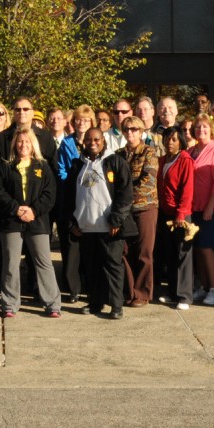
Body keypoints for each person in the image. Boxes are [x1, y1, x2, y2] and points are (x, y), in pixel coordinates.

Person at [0, 126, 60, 318]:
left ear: (33, 144)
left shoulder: (43, 166)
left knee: (44, 262)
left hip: (37, 221)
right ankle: (9, 304)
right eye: (20, 141)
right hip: (11, 221)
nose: (23, 145)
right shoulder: (6, 166)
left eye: (27, 141)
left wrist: (34, 210)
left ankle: (52, 304)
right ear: (15, 144)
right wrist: (16, 209)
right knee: (11, 263)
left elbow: (50, 194)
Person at [69, 128, 133, 319]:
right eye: (88, 139)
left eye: (96, 139)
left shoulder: (116, 162)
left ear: (103, 140)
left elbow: (125, 194)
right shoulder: (78, 164)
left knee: (112, 266)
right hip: (86, 227)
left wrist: (116, 220)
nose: (92, 143)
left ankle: (116, 305)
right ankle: (95, 302)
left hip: (109, 227)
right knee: (91, 267)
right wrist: (72, 223)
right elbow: (68, 196)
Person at [56, 103, 97, 301]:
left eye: (86, 120)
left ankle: (90, 284)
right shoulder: (67, 143)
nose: (82, 123)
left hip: (91, 196)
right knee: (71, 244)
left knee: (89, 245)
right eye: (79, 119)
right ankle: (73, 288)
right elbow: (61, 169)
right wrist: (72, 183)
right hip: (70, 194)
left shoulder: (96, 141)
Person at [120, 116, 159, 307]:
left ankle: (142, 293)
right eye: (126, 129)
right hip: (124, 211)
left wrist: (123, 197)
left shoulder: (149, 152)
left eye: (134, 129)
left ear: (141, 132)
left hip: (145, 207)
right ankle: (129, 291)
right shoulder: (118, 154)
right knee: (125, 251)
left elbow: (148, 180)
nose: (130, 133)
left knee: (144, 251)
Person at [154, 126, 195, 310]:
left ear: (181, 142)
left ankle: (184, 296)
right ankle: (172, 292)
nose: (169, 142)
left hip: (181, 214)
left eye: (174, 139)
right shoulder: (163, 160)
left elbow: (187, 189)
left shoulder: (185, 159)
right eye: (167, 139)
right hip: (165, 212)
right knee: (169, 253)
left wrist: (181, 212)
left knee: (182, 254)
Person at [189, 116, 214, 306]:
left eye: (204, 126)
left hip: (210, 208)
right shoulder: (191, 151)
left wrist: (210, 206)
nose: (201, 130)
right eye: (197, 127)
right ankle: (203, 287)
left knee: (207, 247)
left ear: (211, 129)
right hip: (193, 207)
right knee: (197, 248)